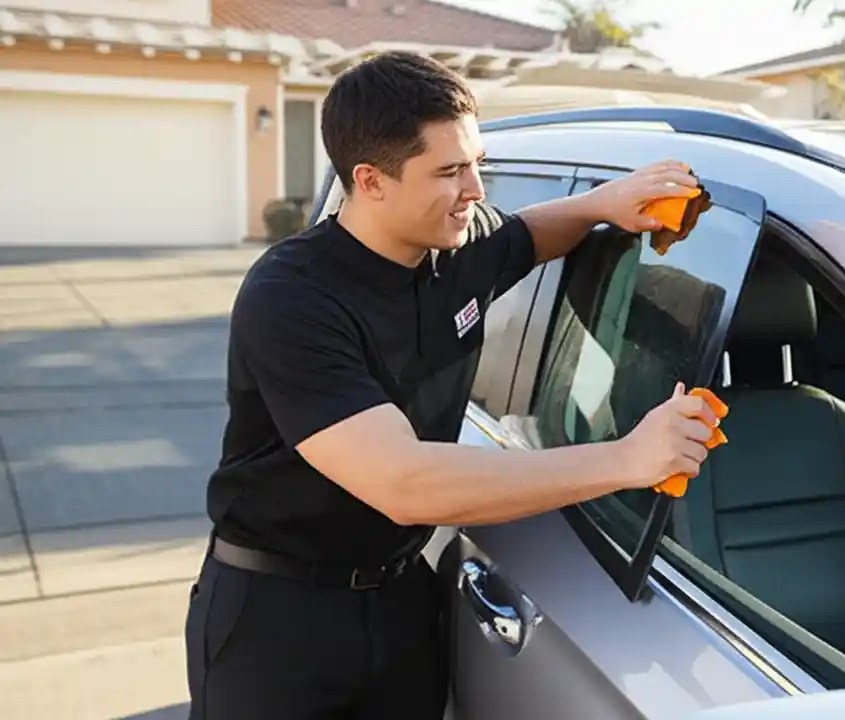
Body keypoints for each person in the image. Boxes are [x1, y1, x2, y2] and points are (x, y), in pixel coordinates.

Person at [185, 51, 718, 719]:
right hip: (280, 620)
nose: (476, 190)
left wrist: (600, 204)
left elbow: (529, 234)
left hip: (403, 599)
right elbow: (405, 483)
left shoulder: (456, 245)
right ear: (370, 181)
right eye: (449, 171)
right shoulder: (293, 298)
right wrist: (625, 460)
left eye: (476, 164)